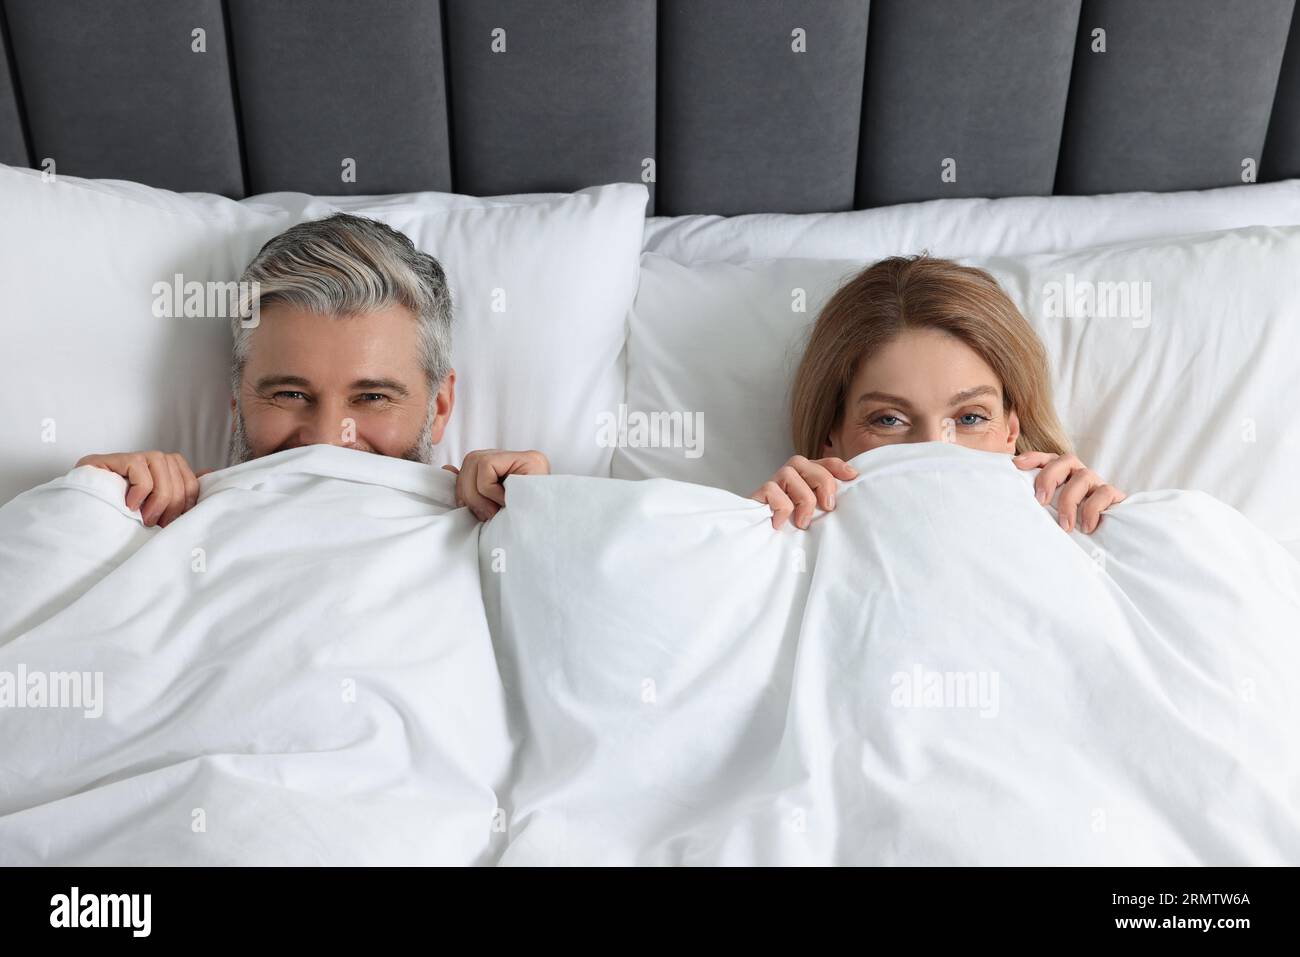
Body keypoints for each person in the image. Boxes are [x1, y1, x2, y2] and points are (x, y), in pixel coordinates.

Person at [74, 213, 546, 527]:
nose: (326, 439)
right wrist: (87, 509)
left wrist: (540, 515)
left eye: (373, 397)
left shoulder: (494, 532)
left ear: (439, 406)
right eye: (290, 394)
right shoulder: (155, 528)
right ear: (237, 398)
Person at [751, 255, 1126, 533]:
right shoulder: (777, 544)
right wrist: (747, 536)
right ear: (830, 436)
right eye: (889, 420)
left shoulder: (1081, 532)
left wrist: (1124, 530)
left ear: (1011, 430)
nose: (934, 448)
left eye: (970, 418)